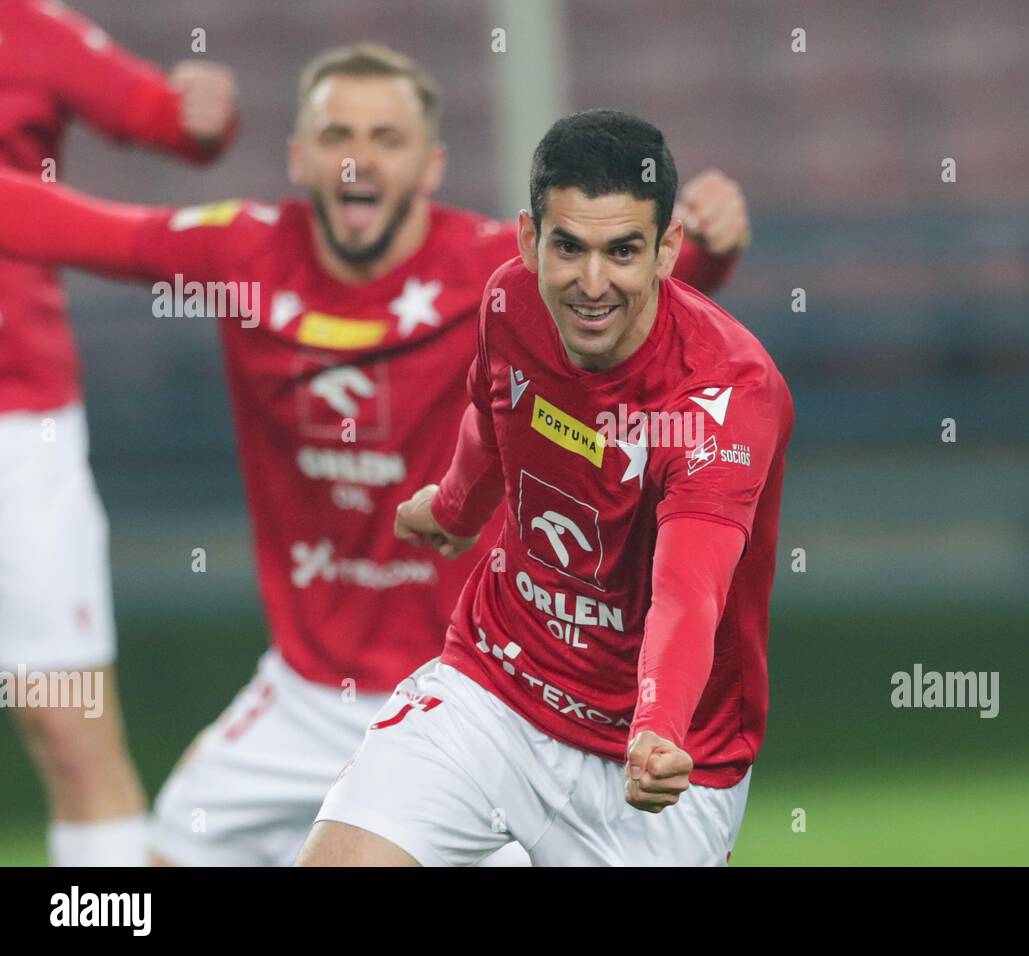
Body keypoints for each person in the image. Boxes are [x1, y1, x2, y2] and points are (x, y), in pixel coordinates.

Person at [0, 45, 750, 866]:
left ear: (431, 166)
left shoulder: (499, 273)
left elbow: (639, 290)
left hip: (476, 693)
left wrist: (713, 246)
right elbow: (76, 228)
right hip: (301, 696)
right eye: (338, 135)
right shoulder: (242, 256)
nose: (359, 159)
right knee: (165, 857)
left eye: (387, 138)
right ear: (299, 157)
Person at [298, 108, 792, 866]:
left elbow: (688, 591)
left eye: (622, 251)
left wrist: (658, 726)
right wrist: (455, 508)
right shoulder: (510, 301)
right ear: (530, 240)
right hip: (496, 689)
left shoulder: (727, 394)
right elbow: (494, 414)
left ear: (666, 250)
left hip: (657, 760)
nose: (592, 285)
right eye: (569, 248)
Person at [0, 0, 236, 866]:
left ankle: (104, 917)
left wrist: (202, 112)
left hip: (19, 424)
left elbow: (166, 119)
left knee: (69, 727)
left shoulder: (28, 30)